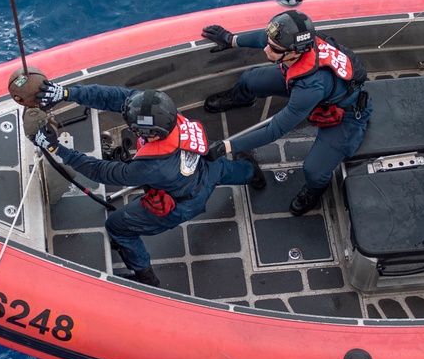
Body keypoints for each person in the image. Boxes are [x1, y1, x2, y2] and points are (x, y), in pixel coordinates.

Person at [18, 82, 261, 288]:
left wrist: (56, 148)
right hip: (206, 167)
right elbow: (115, 98)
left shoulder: (152, 165)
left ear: (150, 134)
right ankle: (254, 174)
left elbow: (102, 172)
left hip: (183, 203)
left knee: (117, 226)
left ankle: (146, 277)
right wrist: (67, 93)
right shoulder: (167, 115)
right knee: (230, 170)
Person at [197, 10, 370, 216]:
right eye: (269, 43)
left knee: (314, 171)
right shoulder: (296, 42)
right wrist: (231, 39)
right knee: (250, 79)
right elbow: (266, 38)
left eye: (274, 48)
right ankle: (240, 98)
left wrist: (225, 146)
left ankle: (315, 191)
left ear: (295, 52)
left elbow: (273, 131)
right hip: (301, 80)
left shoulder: (310, 87)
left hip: (344, 115)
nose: (265, 49)